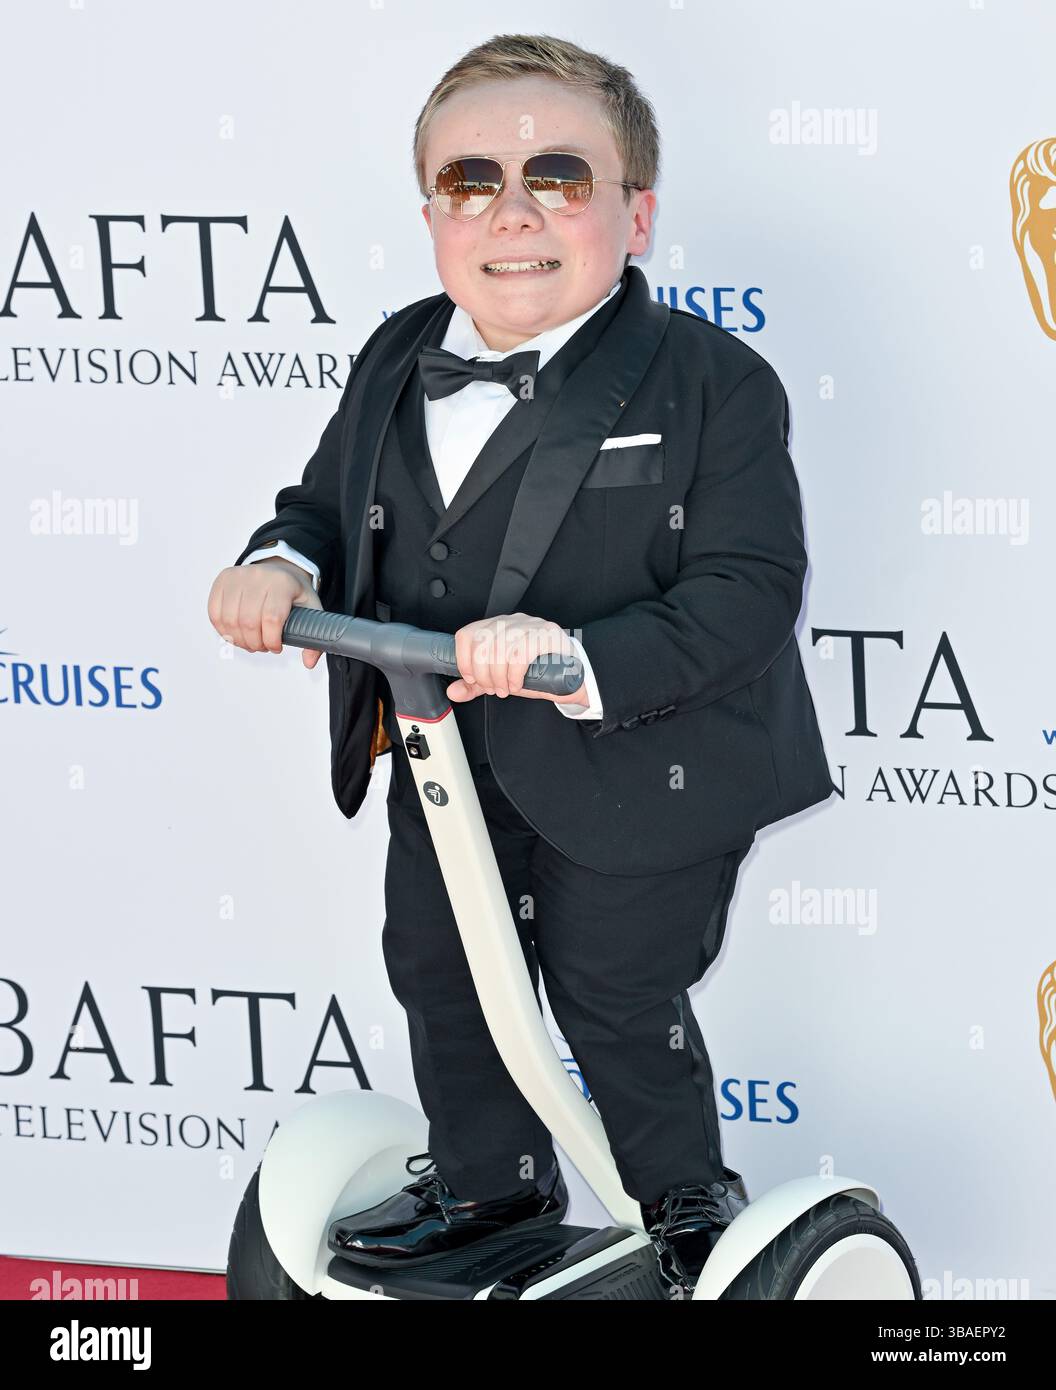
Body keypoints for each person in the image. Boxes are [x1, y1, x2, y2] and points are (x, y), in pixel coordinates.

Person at [207, 32, 834, 1294]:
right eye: (471, 179)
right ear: (433, 209)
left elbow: (749, 591)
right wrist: (281, 562)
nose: (512, 212)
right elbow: (325, 502)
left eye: (558, 177)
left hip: (644, 767)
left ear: (635, 213)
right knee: (439, 970)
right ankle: (491, 1187)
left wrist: (579, 656)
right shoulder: (398, 351)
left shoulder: (716, 383)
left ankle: (684, 1202)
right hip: (442, 755)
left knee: (615, 993)